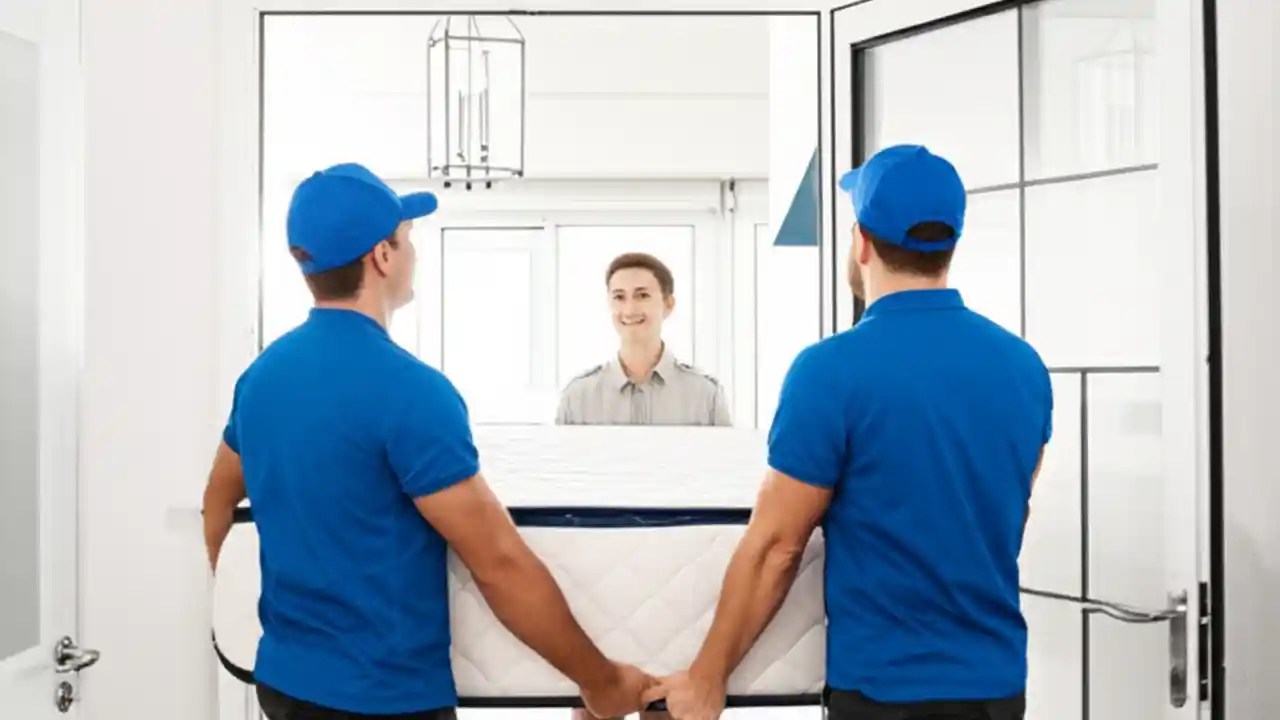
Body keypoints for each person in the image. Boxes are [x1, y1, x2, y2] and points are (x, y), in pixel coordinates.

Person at [201, 163, 653, 720]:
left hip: (283, 685)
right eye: (407, 237)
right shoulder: (410, 392)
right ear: (382, 256)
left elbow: (217, 501)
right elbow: (499, 563)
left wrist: (239, 604)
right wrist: (601, 680)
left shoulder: (261, 379)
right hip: (383, 702)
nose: (414, 251)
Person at [643, 144, 1053, 720]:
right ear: (950, 244)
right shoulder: (1024, 367)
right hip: (998, 691)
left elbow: (777, 547)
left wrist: (707, 676)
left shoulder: (829, 372)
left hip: (884, 695)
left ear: (861, 241)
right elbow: (1009, 513)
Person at [557, 252, 732, 427]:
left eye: (642, 296)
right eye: (619, 297)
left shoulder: (706, 396)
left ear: (668, 304)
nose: (629, 310)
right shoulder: (577, 397)